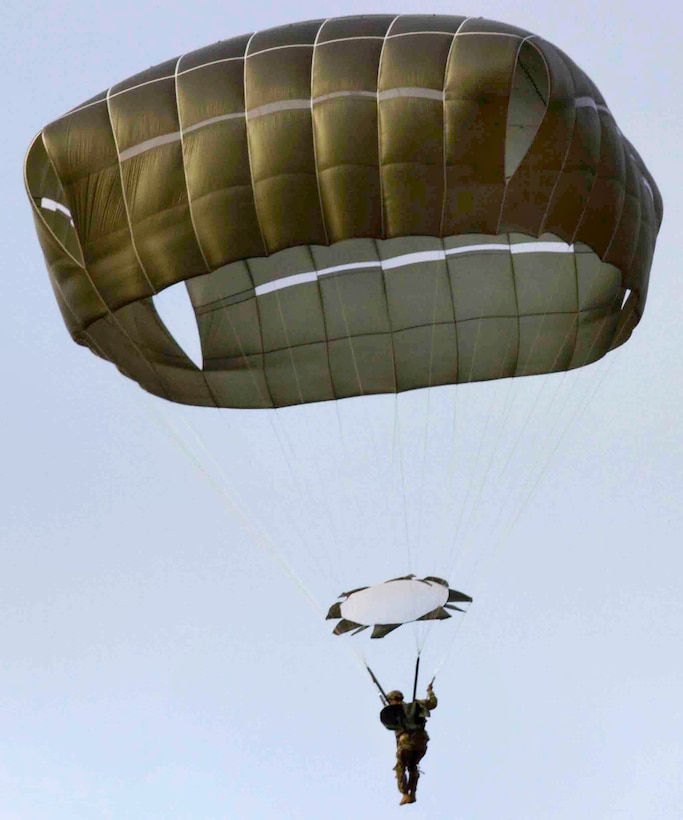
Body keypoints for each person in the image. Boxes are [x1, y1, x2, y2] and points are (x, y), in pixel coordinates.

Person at [382, 684, 437, 805]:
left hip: (406, 742)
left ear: (391, 700)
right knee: (412, 766)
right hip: (421, 742)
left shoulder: (395, 712)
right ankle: (413, 793)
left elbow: (389, 722)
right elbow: (433, 703)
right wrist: (430, 692)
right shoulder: (416, 705)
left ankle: (405, 793)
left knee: (400, 766)